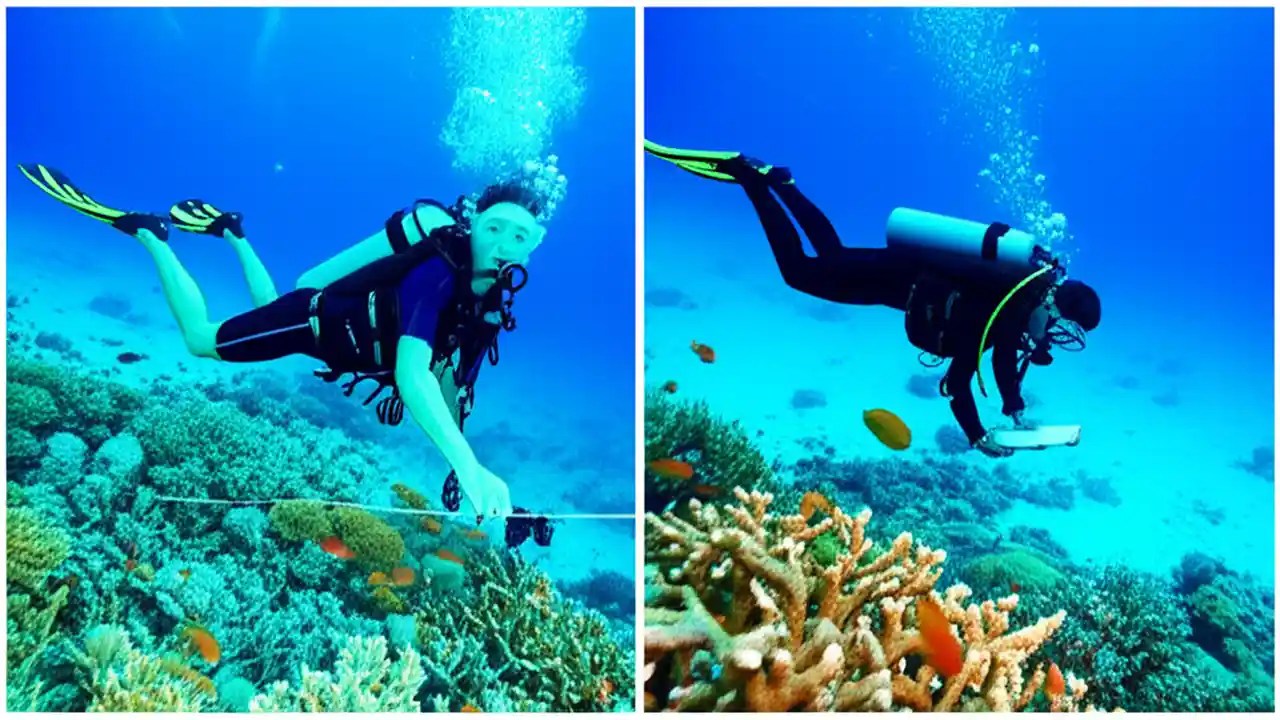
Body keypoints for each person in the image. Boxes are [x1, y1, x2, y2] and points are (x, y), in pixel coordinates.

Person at [17, 162, 549, 517]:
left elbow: (450, 382)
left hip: (332, 339)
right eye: (495, 227)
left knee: (269, 301)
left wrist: (465, 462)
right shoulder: (435, 271)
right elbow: (413, 373)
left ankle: (232, 230)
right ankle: (151, 234)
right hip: (314, 323)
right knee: (202, 341)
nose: (503, 244)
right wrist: (466, 463)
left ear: (532, 250)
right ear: (474, 223)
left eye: (520, 236)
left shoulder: (487, 307)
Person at [644, 142, 1102, 458]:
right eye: (1062, 330)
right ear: (1055, 307)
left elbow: (1005, 362)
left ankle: (781, 183)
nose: (1051, 339)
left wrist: (1013, 406)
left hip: (902, 282)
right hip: (900, 281)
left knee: (833, 254)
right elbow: (963, 380)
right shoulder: (1005, 314)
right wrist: (979, 435)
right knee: (798, 272)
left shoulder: (1017, 300)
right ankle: (750, 178)